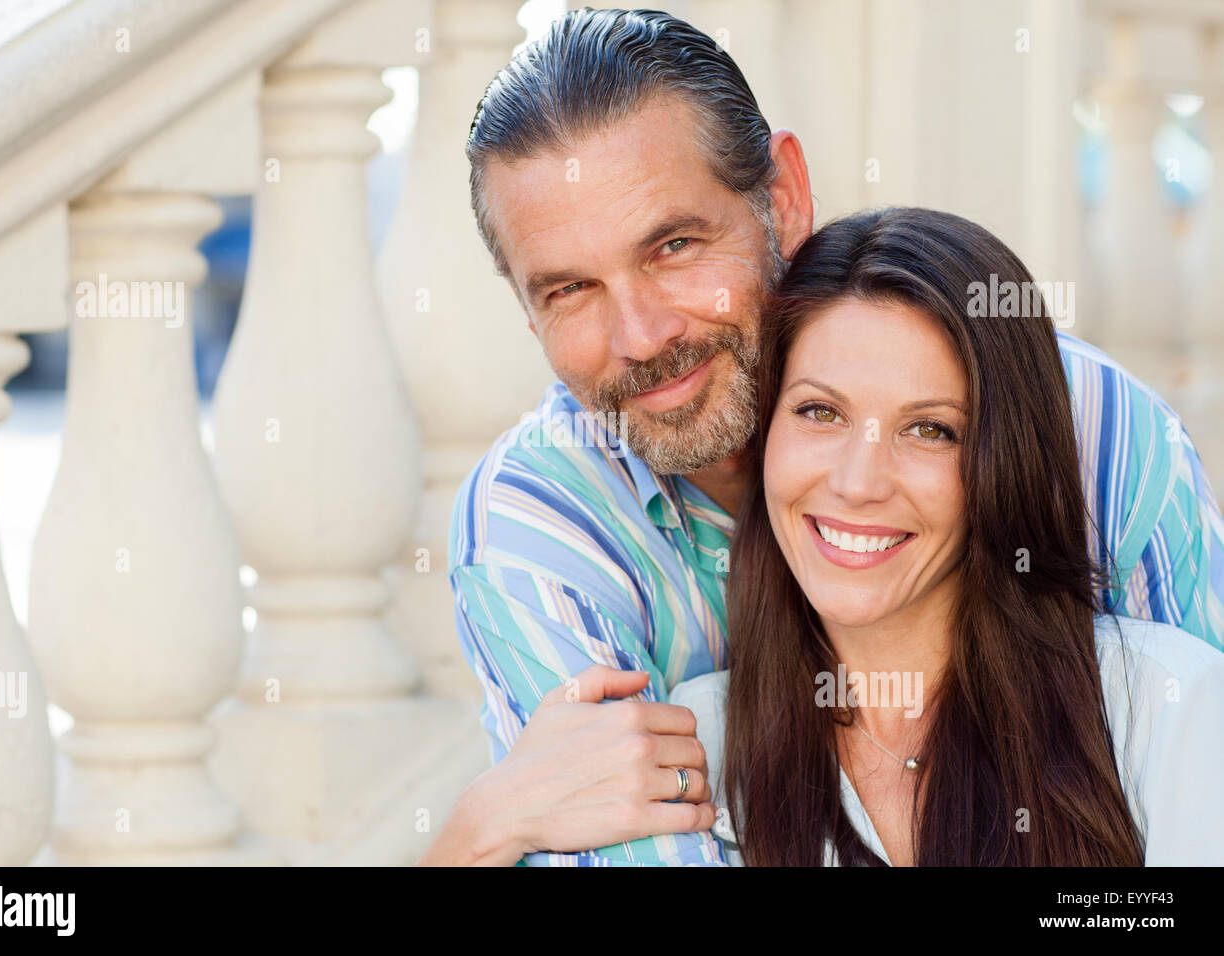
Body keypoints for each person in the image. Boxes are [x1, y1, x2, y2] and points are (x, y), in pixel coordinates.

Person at [418, 8, 1224, 867]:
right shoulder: (544, 528)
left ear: (784, 197)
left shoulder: (1096, 427)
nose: (642, 335)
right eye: (570, 289)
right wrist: (479, 833)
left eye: (675, 245)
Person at [666, 206, 1224, 866]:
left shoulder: (1166, 711)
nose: (858, 482)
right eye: (820, 411)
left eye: (929, 429)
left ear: (1002, 461)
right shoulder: (700, 741)